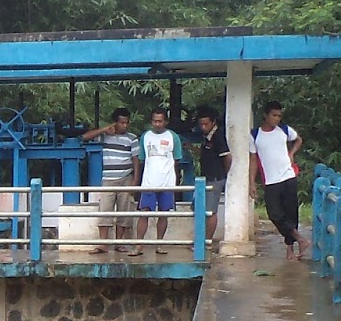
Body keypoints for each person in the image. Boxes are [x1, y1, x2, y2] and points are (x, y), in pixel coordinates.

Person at [253, 100, 308, 260]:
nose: (276, 119)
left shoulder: (284, 130)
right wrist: (251, 183)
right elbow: (253, 160)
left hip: (288, 176)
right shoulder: (255, 135)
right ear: (265, 115)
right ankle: (300, 238)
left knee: (291, 213)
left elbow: (298, 140)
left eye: (279, 116)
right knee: (275, 214)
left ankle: (291, 248)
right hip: (270, 180)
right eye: (274, 115)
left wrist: (291, 153)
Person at [82, 109, 139, 252]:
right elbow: (85, 137)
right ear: (115, 122)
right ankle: (103, 244)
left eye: (127, 123)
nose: (125, 126)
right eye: (122, 123)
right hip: (108, 179)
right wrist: (104, 129)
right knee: (105, 210)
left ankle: (118, 242)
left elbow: (136, 161)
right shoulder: (105, 137)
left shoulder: (132, 138)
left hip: (126, 178)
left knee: (123, 212)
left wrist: (135, 182)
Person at [134, 108, 185, 255]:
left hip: (167, 181)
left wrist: (175, 181)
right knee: (144, 213)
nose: (157, 124)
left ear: (165, 122)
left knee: (164, 213)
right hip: (149, 181)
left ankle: (159, 244)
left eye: (160, 121)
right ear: (151, 122)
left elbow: (177, 160)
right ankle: (139, 245)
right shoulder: (145, 137)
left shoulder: (173, 137)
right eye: (155, 121)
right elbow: (142, 160)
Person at [196, 107, 231, 242]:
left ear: (213, 123)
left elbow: (228, 158)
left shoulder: (218, 136)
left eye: (206, 124)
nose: (203, 127)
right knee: (202, 209)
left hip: (215, 178)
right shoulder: (207, 137)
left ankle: (207, 241)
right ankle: (202, 239)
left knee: (210, 211)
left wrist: (222, 175)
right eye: (201, 124)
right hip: (206, 177)